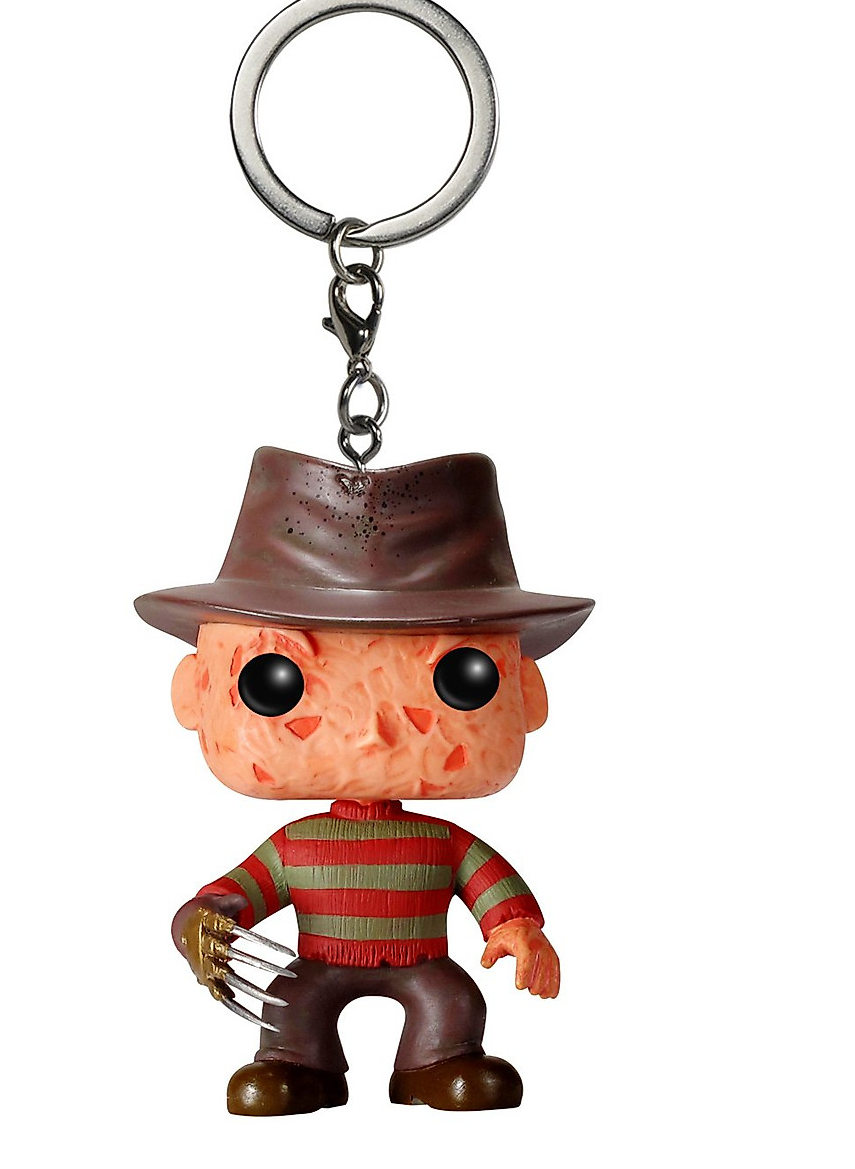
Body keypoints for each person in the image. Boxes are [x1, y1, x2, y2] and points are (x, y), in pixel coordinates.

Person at [136, 446, 592, 1114]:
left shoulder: (442, 844)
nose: (369, 734)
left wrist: (518, 927)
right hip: (318, 964)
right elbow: (234, 895)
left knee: (453, 1001)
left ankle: (440, 1061)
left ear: (527, 695)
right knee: (289, 1000)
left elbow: (489, 885)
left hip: (423, 962)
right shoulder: (296, 846)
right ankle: (297, 1065)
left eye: (461, 679)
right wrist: (203, 925)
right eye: (273, 682)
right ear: (194, 694)